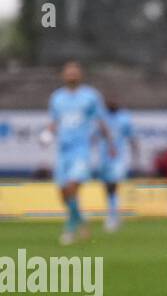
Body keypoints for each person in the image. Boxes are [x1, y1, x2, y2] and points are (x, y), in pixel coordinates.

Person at [44, 61, 112, 245]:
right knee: (63, 193)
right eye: (69, 72)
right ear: (63, 75)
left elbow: (102, 120)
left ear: (81, 75)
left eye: (75, 71)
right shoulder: (57, 98)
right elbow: (54, 121)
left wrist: (111, 144)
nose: (72, 74)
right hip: (63, 150)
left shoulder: (90, 96)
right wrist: (47, 134)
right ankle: (81, 220)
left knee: (72, 186)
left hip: (81, 150)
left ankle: (70, 229)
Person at [96, 99, 139, 233]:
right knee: (107, 187)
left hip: (118, 158)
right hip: (104, 157)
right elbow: (94, 135)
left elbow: (132, 138)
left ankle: (112, 216)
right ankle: (113, 213)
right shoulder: (102, 117)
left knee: (113, 185)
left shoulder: (124, 118)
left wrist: (135, 156)